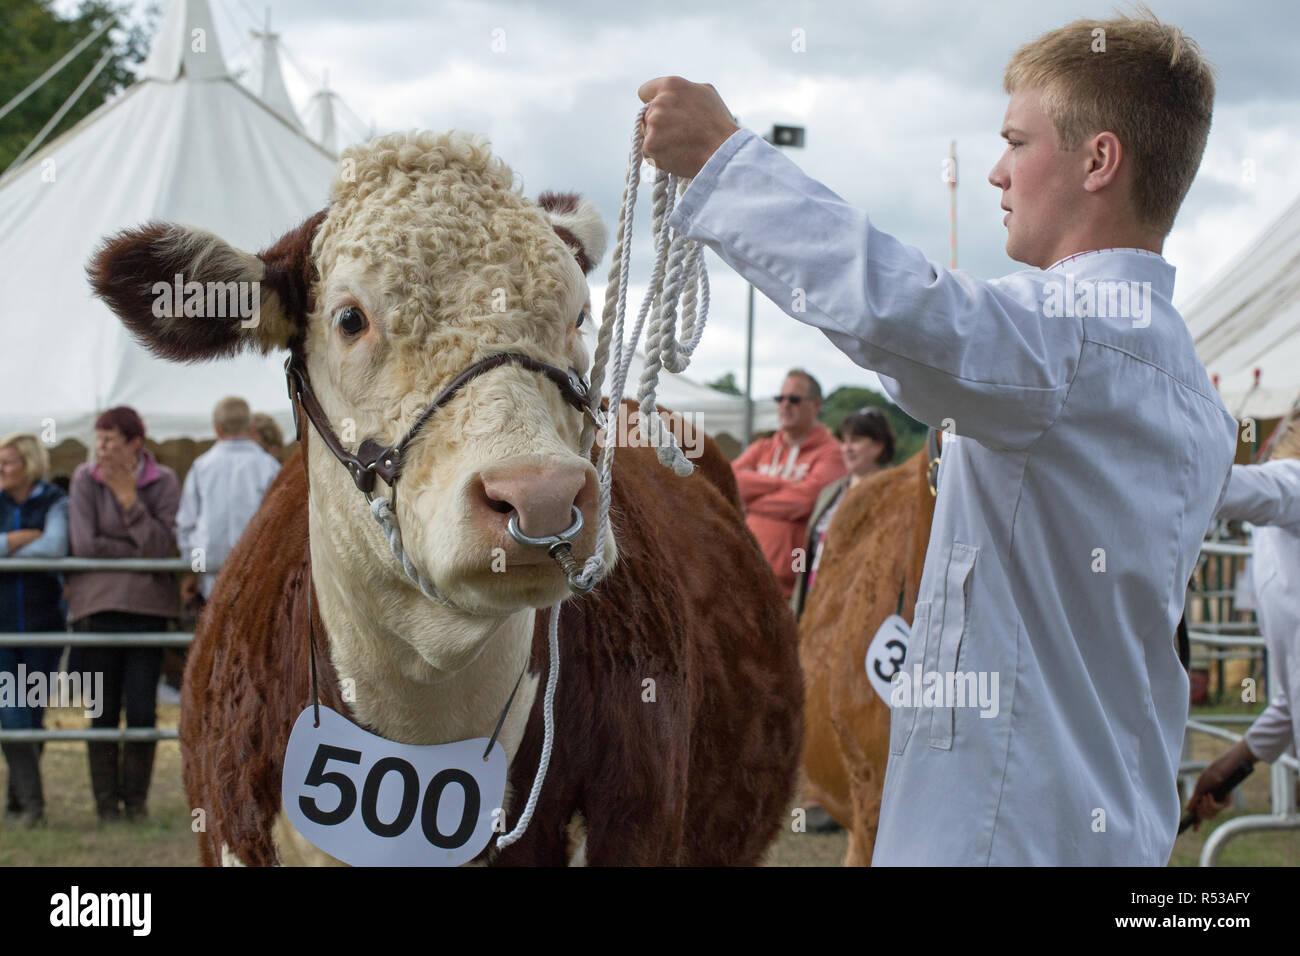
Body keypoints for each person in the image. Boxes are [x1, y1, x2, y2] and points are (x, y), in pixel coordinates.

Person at [638, 10, 1235, 864]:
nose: (996, 173)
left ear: (1099, 161)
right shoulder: (1186, 389)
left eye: (1017, 142)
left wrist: (726, 161)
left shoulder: (1071, 340)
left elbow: (903, 308)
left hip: (998, 832)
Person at [67, 407, 180, 822]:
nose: (101, 448)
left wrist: (131, 502)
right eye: (98, 439)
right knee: (102, 710)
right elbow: (84, 546)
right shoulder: (83, 479)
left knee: (142, 710)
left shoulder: (164, 483)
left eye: (110, 439)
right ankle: (105, 806)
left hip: (147, 613)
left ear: (135, 443)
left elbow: (163, 548)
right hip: (98, 611)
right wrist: (136, 548)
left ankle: (135, 802)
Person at [1189, 418, 1300, 828]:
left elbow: (1263, 490)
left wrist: (1161, 472)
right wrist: (1234, 762)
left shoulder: (1290, 484)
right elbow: (1293, 691)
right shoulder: (1274, 529)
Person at [0, 434, 69, 827]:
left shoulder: (55, 501)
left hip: (43, 626)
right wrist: (18, 538)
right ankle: (33, 806)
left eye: (7, 463)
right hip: (3, 630)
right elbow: (43, 545)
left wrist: (5, 550)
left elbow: (56, 547)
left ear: (27, 464)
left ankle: (17, 800)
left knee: (33, 715)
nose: (1, 470)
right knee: (12, 712)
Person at [731, 369, 847, 599]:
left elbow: (805, 502)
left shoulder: (831, 453)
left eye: (794, 399)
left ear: (815, 404)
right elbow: (731, 481)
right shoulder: (762, 447)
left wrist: (750, 502)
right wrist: (779, 484)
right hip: (745, 576)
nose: (785, 405)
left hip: (792, 587)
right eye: (780, 398)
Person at [792, 406, 898, 620]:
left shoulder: (893, 493)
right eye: (844, 440)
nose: (847, 448)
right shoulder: (830, 492)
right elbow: (808, 551)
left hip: (858, 610)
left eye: (856, 440)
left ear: (878, 445)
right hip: (815, 600)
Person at [176, 397, 282, 605]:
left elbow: (187, 526)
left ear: (216, 430)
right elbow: (280, 525)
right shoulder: (269, 467)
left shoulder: (201, 467)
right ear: (251, 428)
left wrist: (196, 571)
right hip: (259, 578)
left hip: (211, 580)